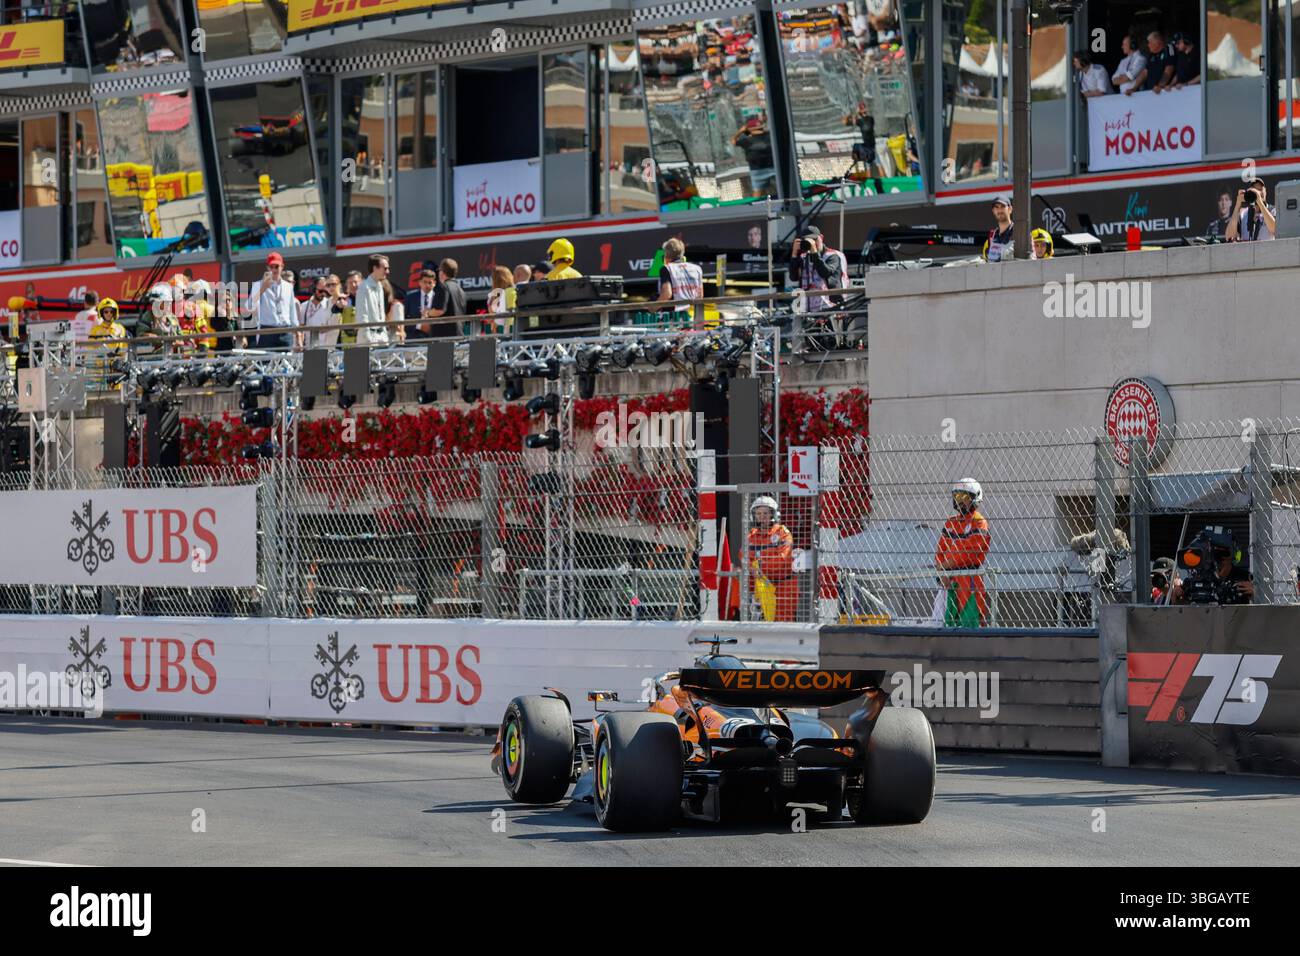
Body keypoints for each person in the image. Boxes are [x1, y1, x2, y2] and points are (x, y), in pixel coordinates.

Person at [934, 478, 990, 627]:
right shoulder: (951, 522)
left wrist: (944, 566)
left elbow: (968, 552)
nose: (960, 501)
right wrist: (941, 572)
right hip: (949, 580)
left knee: (971, 621)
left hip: (969, 579)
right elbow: (941, 550)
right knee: (947, 623)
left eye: (964, 497)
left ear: (975, 498)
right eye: (957, 497)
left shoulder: (979, 522)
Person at [1170, 526, 1254, 605]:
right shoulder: (1196, 581)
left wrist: (1256, 593)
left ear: (1232, 556)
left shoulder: (1244, 578)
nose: (1218, 560)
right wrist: (1178, 599)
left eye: (1223, 554)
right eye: (1215, 554)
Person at [747, 495, 797, 622]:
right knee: (759, 622)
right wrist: (751, 568)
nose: (762, 517)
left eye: (765, 513)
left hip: (783, 585)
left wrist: (760, 566)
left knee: (783, 623)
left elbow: (782, 559)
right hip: (761, 586)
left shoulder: (782, 533)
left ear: (773, 515)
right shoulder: (751, 536)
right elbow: (744, 556)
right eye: (758, 513)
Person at [243, 251, 297, 350]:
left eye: (276, 266)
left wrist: (298, 335)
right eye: (271, 267)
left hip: (286, 331)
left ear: (282, 266)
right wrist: (263, 288)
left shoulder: (288, 286)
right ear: (267, 268)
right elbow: (248, 307)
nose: (274, 270)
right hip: (267, 331)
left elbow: (292, 311)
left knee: (287, 364)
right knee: (266, 364)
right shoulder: (258, 285)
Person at [788, 225, 847, 314]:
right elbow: (793, 277)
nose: (813, 243)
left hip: (831, 308)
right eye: (809, 241)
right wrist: (794, 255)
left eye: (815, 240)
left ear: (821, 238)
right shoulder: (803, 257)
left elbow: (825, 272)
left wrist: (815, 253)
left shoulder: (833, 255)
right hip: (808, 309)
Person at [658, 238, 704, 323]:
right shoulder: (697, 269)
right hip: (691, 318)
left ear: (667, 255)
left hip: (671, 319)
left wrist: (653, 307)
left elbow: (667, 294)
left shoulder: (667, 268)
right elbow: (700, 295)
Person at [85, 297, 127, 389]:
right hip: (100, 370)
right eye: (106, 312)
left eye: (111, 312)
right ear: (101, 313)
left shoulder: (120, 328)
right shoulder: (95, 330)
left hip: (117, 369)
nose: (109, 314)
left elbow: (124, 348)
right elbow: (91, 350)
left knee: (118, 394)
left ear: (115, 313)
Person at [420, 258, 466, 336]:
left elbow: (440, 310)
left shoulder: (443, 287)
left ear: (442, 272)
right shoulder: (461, 290)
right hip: (459, 334)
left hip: (444, 338)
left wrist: (427, 312)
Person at [732, 116, 776, 197]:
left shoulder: (746, 140)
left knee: (757, 193)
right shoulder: (770, 136)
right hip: (774, 168)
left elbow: (733, 141)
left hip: (757, 171)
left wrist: (740, 131)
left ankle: (757, 207)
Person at [353, 253, 391, 346]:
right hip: (368, 338)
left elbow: (381, 313)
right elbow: (362, 314)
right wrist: (367, 337)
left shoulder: (379, 286)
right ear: (375, 268)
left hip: (381, 336)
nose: (388, 271)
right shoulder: (363, 287)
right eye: (385, 268)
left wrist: (384, 334)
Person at [1225, 178, 1276, 242]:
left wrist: (1260, 202)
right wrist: (1237, 205)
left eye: (1260, 190)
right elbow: (1229, 236)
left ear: (1265, 192)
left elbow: (1275, 230)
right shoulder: (1243, 213)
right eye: (1255, 190)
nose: (1258, 193)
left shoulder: (1273, 210)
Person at [300, 276, 335, 348]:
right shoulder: (304, 306)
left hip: (326, 349)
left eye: (325, 291)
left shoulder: (330, 304)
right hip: (308, 348)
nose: (323, 294)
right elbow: (301, 328)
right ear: (313, 289)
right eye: (320, 291)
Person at [404, 268, 438, 340]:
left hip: (435, 338)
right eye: (424, 282)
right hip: (414, 339)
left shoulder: (439, 298)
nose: (427, 285)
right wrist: (419, 325)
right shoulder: (410, 298)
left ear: (434, 283)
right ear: (419, 282)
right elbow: (404, 319)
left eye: (430, 283)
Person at [982, 194, 1015, 261]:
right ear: (993, 211)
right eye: (996, 207)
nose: (999, 210)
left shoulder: (1019, 231)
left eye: (1003, 206)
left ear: (1010, 209)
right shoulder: (992, 235)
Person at [486, 265, 516, 333]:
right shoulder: (516, 291)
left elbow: (492, 318)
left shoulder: (492, 296)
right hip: (516, 328)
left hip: (499, 331)